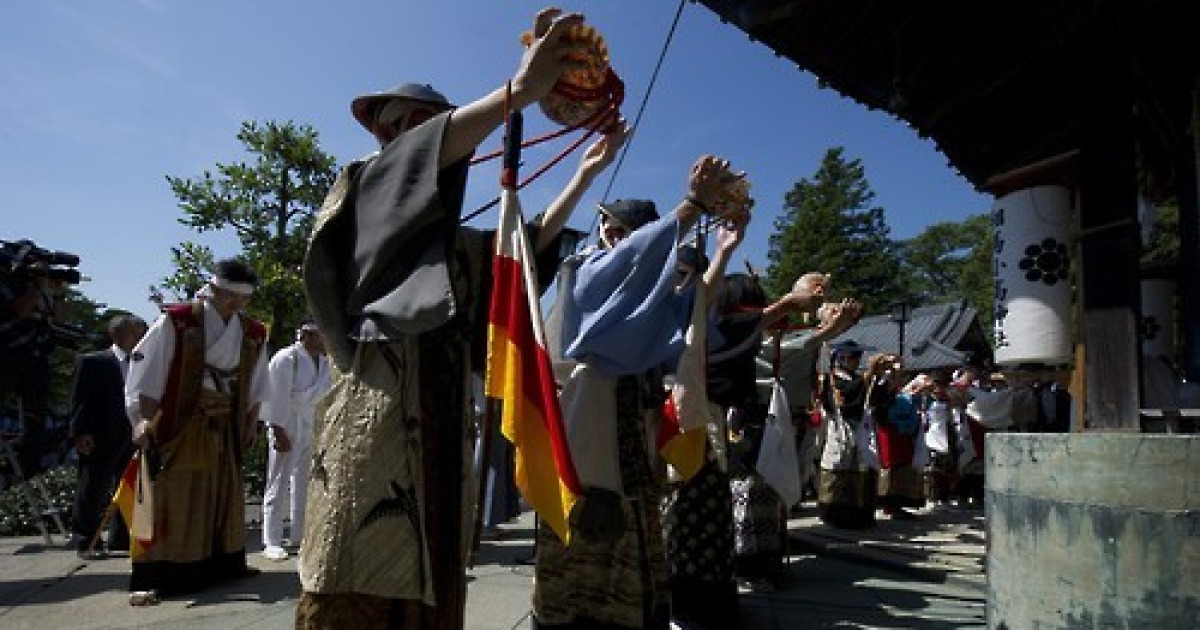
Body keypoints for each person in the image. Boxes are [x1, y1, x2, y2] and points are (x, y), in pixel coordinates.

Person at [297, 8, 630, 628]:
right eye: (418, 128)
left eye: (434, 125)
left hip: (445, 414)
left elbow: (520, 251)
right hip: (377, 408)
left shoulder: (448, 248)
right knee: (360, 554)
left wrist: (583, 177)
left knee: (438, 563)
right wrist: (516, 95)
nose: (432, 139)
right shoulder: (361, 186)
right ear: (390, 136)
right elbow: (413, 168)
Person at [534, 155, 749, 630]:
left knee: (632, 538)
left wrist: (723, 253)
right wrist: (690, 208)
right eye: (608, 227)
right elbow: (628, 267)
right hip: (586, 421)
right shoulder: (586, 269)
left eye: (616, 227)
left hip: (633, 427)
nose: (609, 235)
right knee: (583, 535)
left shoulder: (650, 288)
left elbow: (690, 308)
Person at [124, 258, 270, 602]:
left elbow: (258, 385)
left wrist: (252, 422)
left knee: (223, 493)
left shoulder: (252, 331)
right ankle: (172, 569)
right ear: (213, 288)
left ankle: (223, 564)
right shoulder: (177, 321)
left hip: (227, 421)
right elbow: (148, 376)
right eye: (229, 296)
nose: (235, 304)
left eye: (243, 299)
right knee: (180, 492)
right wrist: (142, 420)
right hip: (183, 420)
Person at [764, 274, 861, 510]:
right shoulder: (775, 342)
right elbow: (816, 336)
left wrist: (838, 323)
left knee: (795, 465)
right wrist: (837, 325)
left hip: (796, 410)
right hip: (773, 413)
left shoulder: (793, 338)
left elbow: (817, 335)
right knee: (777, 470)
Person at [68, 313, 147, 559]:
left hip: (130, 433)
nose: (141, 337)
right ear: (119, 335)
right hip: (100, 434)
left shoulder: (143, 362)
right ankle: (85, 539)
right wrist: (80, 432)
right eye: (136, 332)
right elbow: (80, 400)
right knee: (93, 487)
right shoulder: (94, 362)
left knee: (127, 487)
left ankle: (121, 538)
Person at [260, 320, 330, 562]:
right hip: (287, 425)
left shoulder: (324, 362)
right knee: (278, 482)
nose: (322, 340)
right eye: (319, 335)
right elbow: (275, 397)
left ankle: (299, 534)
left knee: (305, 482)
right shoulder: (285, 359)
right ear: (306, 335)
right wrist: (277, 430)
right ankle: (272, 540)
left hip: (311, 427)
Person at [815, 339, 879, 529]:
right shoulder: (834, 379)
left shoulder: (856, 378)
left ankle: (856, 513)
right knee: (837, 467)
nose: (856, 362)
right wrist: (868, 377)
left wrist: (873, 378)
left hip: (857, 428)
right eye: (853, 358)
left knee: (858, 469)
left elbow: (868, 397)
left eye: (857, 358)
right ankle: (833, 513)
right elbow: (843, 398)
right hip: (839, 427)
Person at [867, 357, 925, 520]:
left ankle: (898, 502)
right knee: (891, 464)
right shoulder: (880, 382)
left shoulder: (899, 388)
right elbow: (878, 403)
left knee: (903, 464)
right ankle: (889, 504)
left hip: (901, 428)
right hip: (888, 427)